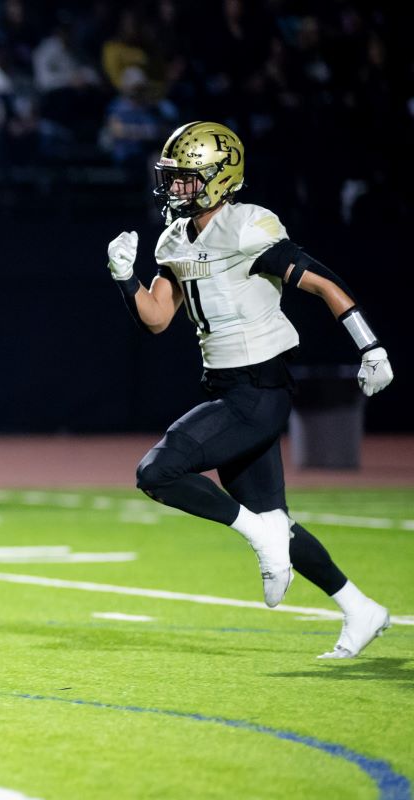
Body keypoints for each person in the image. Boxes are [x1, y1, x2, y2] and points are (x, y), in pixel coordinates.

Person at [106, 121, 393, 659]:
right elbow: (157, 318)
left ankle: (258, 535)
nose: (176, 189)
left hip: (258, 389)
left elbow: (322, 282)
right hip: (228, 385)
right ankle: (360, 608)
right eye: (172, 178)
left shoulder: (246, 227)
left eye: (188, 180)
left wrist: (370, 346)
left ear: (220, 178)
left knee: (157, 472)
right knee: (273, 520)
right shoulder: (174, 238)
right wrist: (125, 277)